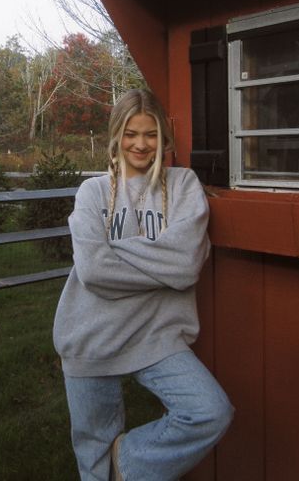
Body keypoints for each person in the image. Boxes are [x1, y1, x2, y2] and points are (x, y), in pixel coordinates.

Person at [53, 89, 233, 481]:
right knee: (93, 463)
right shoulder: (93, 192)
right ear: (116, 135)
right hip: (90, 336)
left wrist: (115, 251)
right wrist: (158, 260)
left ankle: (127, 462)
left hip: (157, 337)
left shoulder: (183, 184)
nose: (140, 143)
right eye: (131, 133)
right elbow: (94, 270)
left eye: (150, 134)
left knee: (209, 411)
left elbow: (185, 265)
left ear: (164, 139)